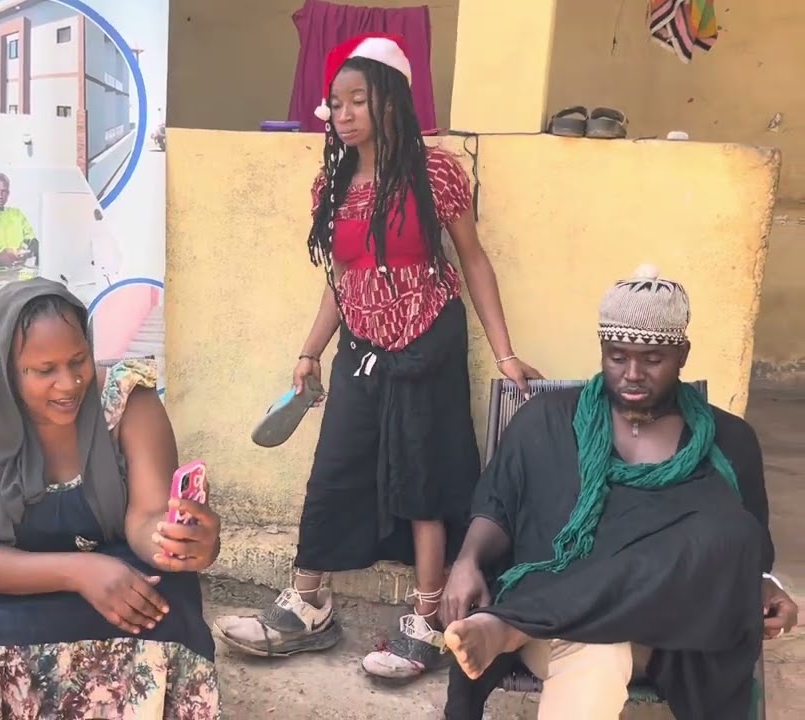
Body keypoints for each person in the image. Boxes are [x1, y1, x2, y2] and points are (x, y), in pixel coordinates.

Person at [213, 32, 541, 683]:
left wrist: (505, 351)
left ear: (391, 100)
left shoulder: (437, 173)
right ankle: (306, 603)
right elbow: (342, 279)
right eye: (335, 103)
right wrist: (310, 351)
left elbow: (472, 258)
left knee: (423, 480)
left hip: (427, 341)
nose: (344, 113)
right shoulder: (330, 184)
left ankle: (426, 620)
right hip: (361, 349)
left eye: (358, 99)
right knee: (334, 467)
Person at [439, 264, 798, 720]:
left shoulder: (730, 441)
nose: (632, 373)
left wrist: (768, 586)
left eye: (652, 359)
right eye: (617, 356)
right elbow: (498, 506)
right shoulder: (546, 421)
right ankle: (521, 621)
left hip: (668, 631)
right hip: (561, 630)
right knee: (597, 655)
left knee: (728, 534)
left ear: (682, 354)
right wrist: (467, 561)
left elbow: (748, 551)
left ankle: (510, 624)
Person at [0, 278, 222, 717]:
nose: (70, 383)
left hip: (117, 561)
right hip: (6, 582)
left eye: (78, 360)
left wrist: (177, 539)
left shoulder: (125, 399)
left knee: (168, 610)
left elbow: (146, 517)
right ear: (5, 368)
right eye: (44, 371)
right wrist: (79, 571)